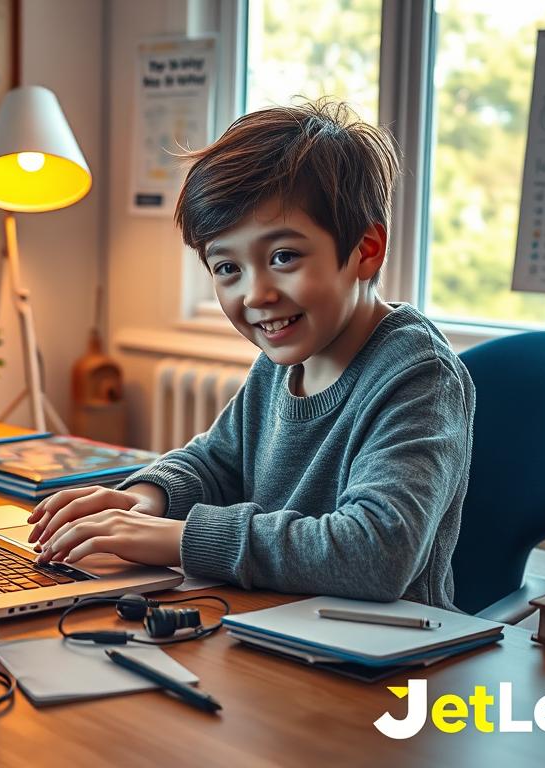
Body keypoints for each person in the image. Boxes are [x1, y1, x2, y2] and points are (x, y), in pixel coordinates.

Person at [27, 101, 475, 609]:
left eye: (283, 257)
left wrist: (178, 539)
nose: (256, 294)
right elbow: (216, 464)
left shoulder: (419, 376)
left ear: (366, 250)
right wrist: (146, 500)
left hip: (383, 659)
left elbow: (377, 550)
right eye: (227, 268)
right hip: (277, 624)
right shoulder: (281, 363)